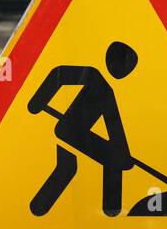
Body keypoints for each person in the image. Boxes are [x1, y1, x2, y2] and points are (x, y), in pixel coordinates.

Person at [26, 41, 139, 217]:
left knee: (69, 167)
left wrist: (123, 154)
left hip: (73, 133)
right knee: (71, 167)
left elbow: (114, 126)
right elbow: (60, 74)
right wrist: (37, 101)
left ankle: (111, 208)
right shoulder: (94, 77)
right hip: (68, 129)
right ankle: (111, 208)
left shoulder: (107, 90)